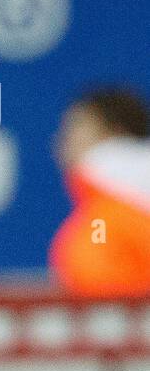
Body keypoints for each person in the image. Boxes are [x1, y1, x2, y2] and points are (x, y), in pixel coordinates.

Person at [49, 87, 150, 298]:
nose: (60, 144)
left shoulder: (105, 215)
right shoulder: (104, 208)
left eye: (74, 129)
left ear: (115, 132)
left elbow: (95, 282)